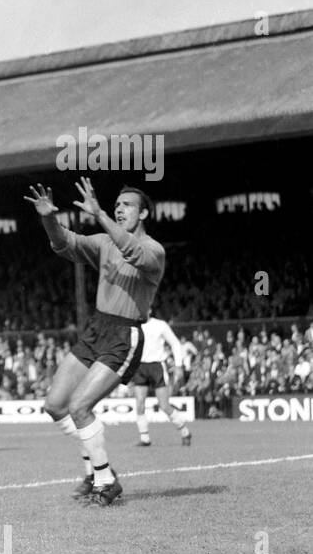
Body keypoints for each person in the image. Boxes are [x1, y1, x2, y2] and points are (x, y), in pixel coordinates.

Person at [25, 179, 165, 506]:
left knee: (80, 407)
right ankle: (97, 470)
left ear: (143, 213)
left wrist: (100, 214)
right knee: (56, 405)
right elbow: (65, 243)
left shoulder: (155, 250)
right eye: (116, 204)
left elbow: (133, 252)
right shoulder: (104, 242)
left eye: (126, 204)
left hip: (124, 333)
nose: (119, 208)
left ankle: (104, 480)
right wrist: (48, 218)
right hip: (96, 329)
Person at [131, 309, 192, 447]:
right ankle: (145, 437)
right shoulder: (134, 326)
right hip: (140, 367)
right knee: (139, 403)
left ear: (150, 310)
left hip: (157, 367)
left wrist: (178, 365)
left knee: (164, 405)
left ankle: (184, 431)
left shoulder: (160, 325)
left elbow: (175, 343)